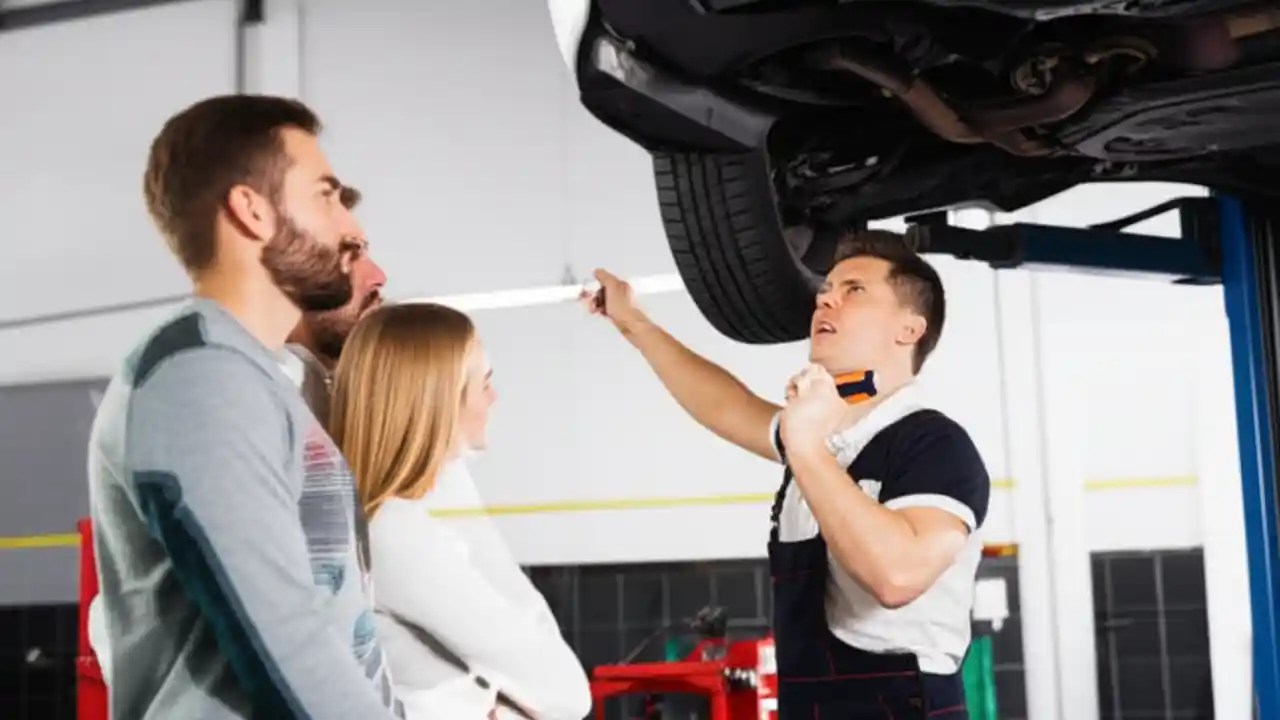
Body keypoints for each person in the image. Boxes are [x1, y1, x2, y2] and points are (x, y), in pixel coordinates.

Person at [583, 230, 989, 718]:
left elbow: (897, 576)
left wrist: (804, 447)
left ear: (909, 329)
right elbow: (724, 404)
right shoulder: (823, 438)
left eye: (853, 290)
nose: (826, 300)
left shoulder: (934, 446)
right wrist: (633, 323)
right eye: (825, 291)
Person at [87, 94, 403, 719]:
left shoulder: (251, 375)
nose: (351, 227)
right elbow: (283, 638)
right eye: (326, 195)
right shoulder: (199, 378)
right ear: (252, 211)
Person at [329, 303, 593, 720]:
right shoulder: (396, 533)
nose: (494, 397)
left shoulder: (381, 521)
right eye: (484, 383)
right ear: (439, 402)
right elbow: (568, 693)